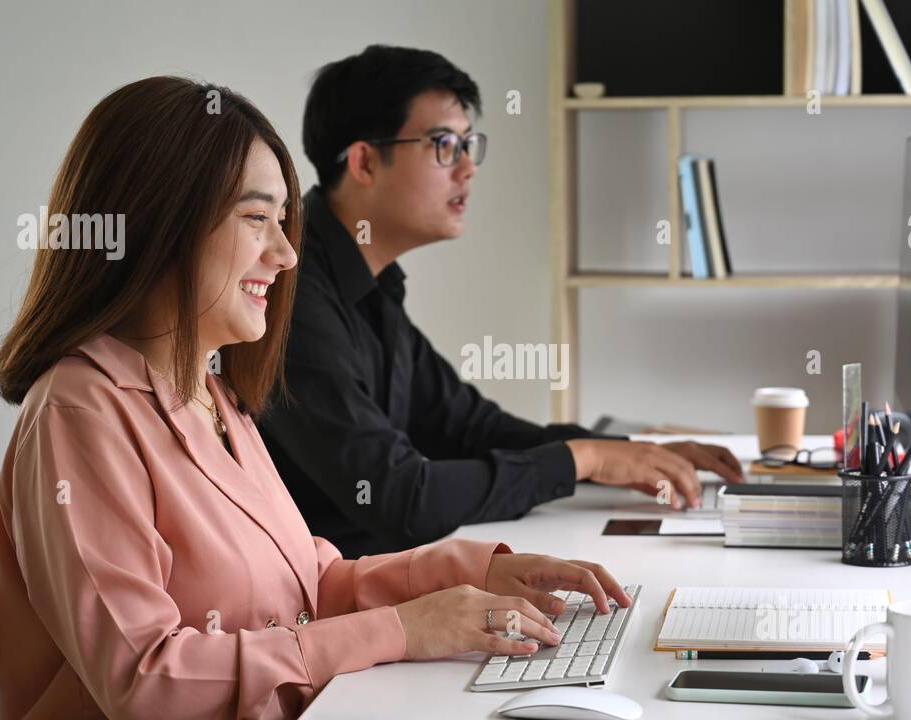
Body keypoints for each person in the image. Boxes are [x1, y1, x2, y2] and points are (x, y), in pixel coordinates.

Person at [0, 76, 630, 720]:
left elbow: (310, 585)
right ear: (162, 224)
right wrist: (401, 630)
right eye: (256, 218)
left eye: (284, 222)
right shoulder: (78, 413)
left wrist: (477, 573)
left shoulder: (213, 394)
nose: (286, 253)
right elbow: (146, 682)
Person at [259, 45, 744, 558]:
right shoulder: (291, 288)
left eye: (470, 145)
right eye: (444, 144)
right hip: (318, 611)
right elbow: (399, 497)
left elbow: (469, 428)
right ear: (364, 161)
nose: (468, 168)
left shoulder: (373, 287)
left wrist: (632, 455)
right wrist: (582, 460)